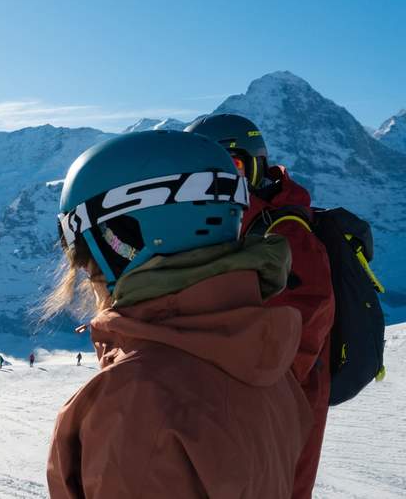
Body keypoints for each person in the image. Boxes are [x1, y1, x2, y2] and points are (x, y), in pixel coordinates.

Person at [45, 130, 311, 498]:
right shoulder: (268, 361)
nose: (88, 274)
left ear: (122, 240)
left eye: (86, 254)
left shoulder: (137, 401)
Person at [186, 113, 335, 498]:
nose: (222, 183)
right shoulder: (228, 227)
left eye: (232, 167)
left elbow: (304, 327)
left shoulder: (284, 231)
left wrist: (236, 386)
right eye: (207, 173)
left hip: (284, 404)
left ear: (257, 167)